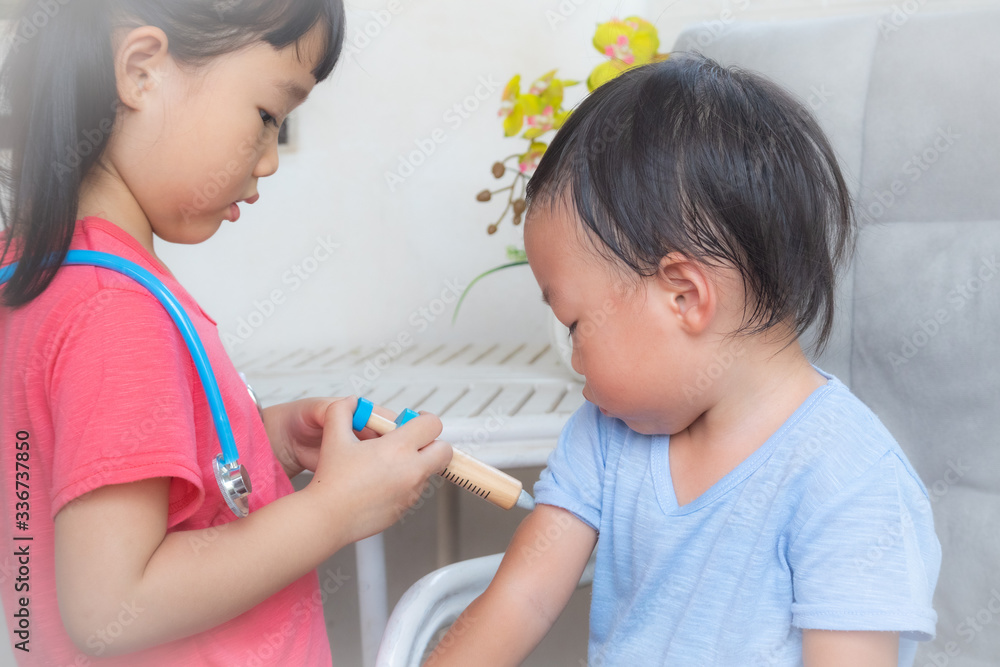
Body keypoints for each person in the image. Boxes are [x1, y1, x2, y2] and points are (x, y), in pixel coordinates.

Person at [425, 54, 940, 667]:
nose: (575, 358)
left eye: (575, 326)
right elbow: (523, 598)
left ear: (683, 296)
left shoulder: (850, 480)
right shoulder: (608, 436)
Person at [0, 1, 452, 664]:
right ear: (141, 69)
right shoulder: (114, 309)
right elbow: (109, 603)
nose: (268, 161)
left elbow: (96, 478)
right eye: (268, 114)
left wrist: (264, 440)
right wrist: (332, 512)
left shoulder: (43, 274)